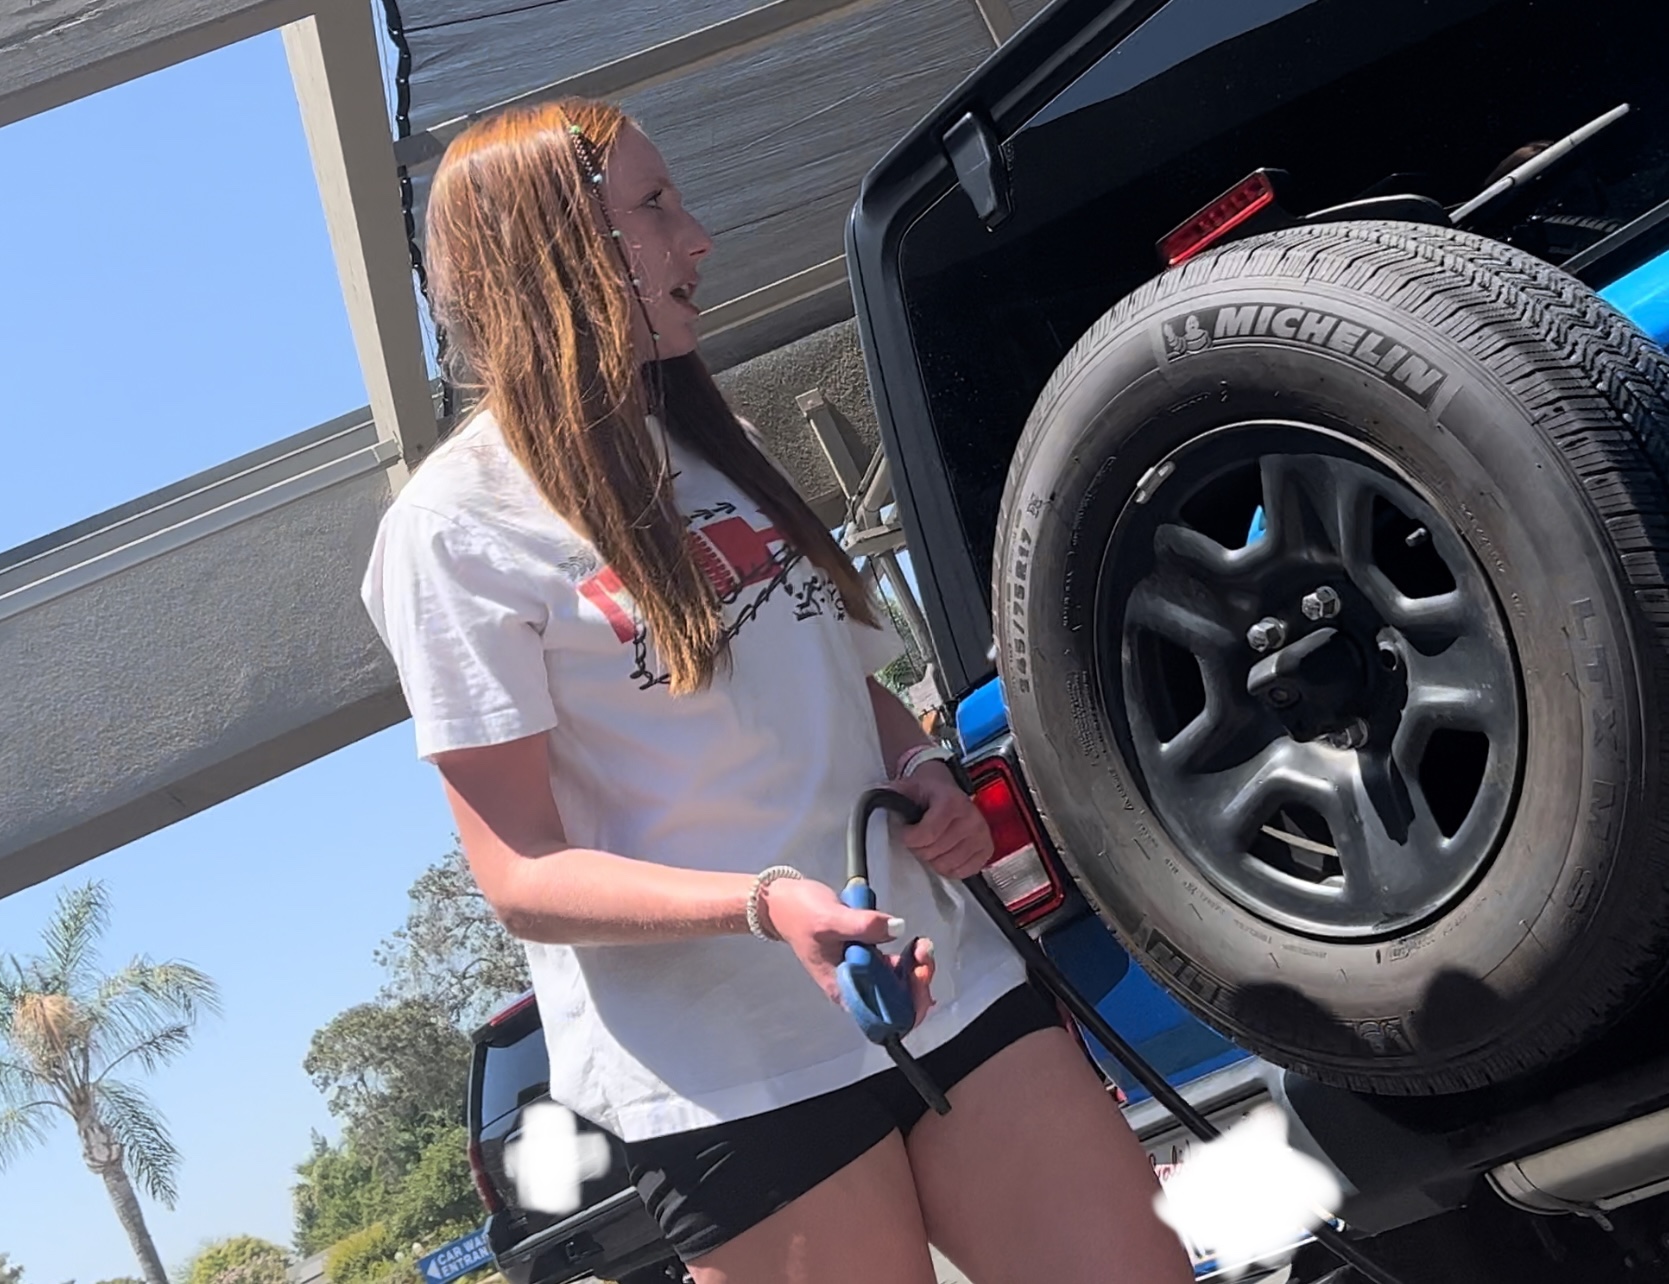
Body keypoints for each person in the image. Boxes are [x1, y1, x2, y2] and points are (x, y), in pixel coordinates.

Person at [361, 97, 1191, 1284]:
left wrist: (916, 772)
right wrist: (765, 902)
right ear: (554, 254)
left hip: (938, 977)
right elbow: (522, 875)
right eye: (653, 208)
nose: (697, 237)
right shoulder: (451, 530)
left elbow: (848, 687)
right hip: (727, 1076)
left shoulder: (713, 444)